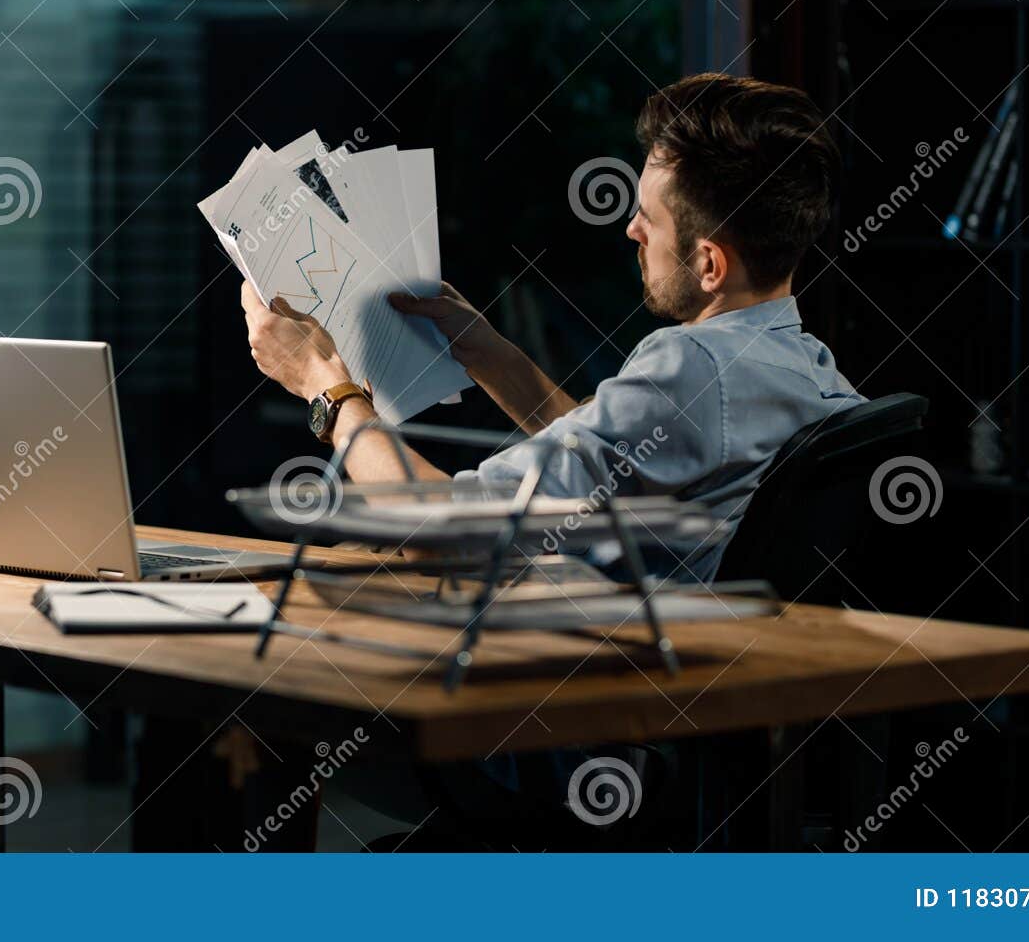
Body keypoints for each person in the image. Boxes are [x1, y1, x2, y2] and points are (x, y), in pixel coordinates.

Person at [241, 72, 864, 583]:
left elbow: (438, 534)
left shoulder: (692, 369)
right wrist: (487, 352)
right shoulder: (803, 369)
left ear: (708, 264)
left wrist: (325, 388)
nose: (632, 231)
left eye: (649, 219)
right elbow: (614, 460)